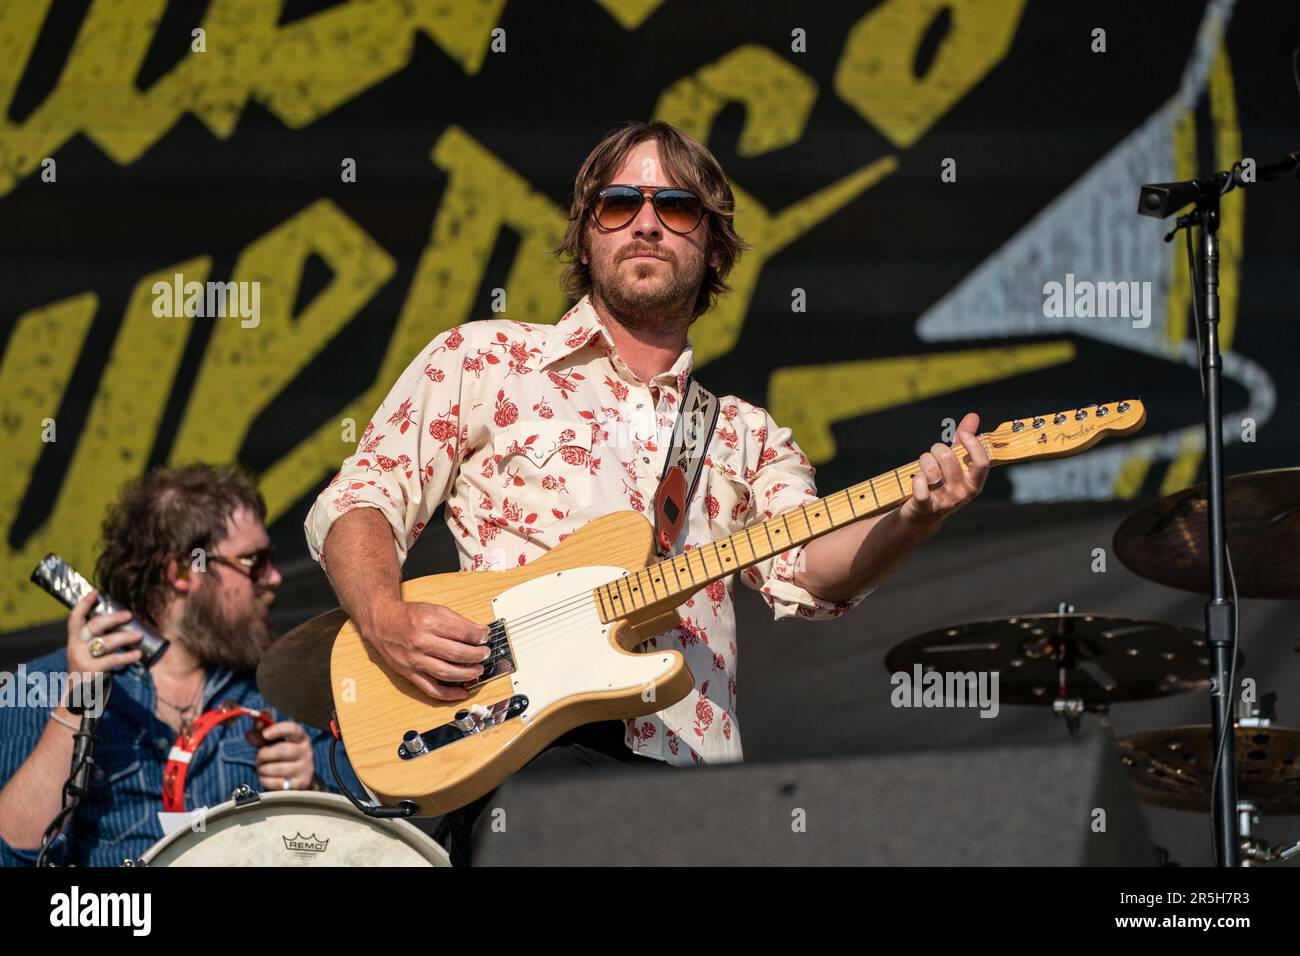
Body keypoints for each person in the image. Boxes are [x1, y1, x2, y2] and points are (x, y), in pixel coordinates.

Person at [304, 120, 989, 864]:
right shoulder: (487, 359)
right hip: (522, 762)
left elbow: (810, 574)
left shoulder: (745, 435)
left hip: (692, 783)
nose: (647, 222)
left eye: (678, 207)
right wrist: (383, 614)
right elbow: (363, 498)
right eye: (619, 202)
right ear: (586, 231)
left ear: (714, 246)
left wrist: (914, 518)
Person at [0, 464, 355, 867]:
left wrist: (312, 786)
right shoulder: (46, 685)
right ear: (183, 571)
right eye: (254, 561)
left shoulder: (282, 688)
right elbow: (12, 855)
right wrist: (76, 704)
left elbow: (369, 845)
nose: (273, 577)